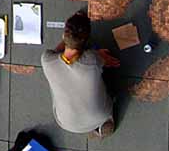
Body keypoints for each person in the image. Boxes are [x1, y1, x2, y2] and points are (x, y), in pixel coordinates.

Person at [41, 11, 118, 139]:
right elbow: (105, 60)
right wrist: (99, 55)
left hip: (65, 122)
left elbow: (57, 51)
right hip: (99, 116)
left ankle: (96, 127)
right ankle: (104, 123)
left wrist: (70, 37)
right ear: (86, 42)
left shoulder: (47, 60)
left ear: (64, 35)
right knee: (107, 93)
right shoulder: (92, 60)